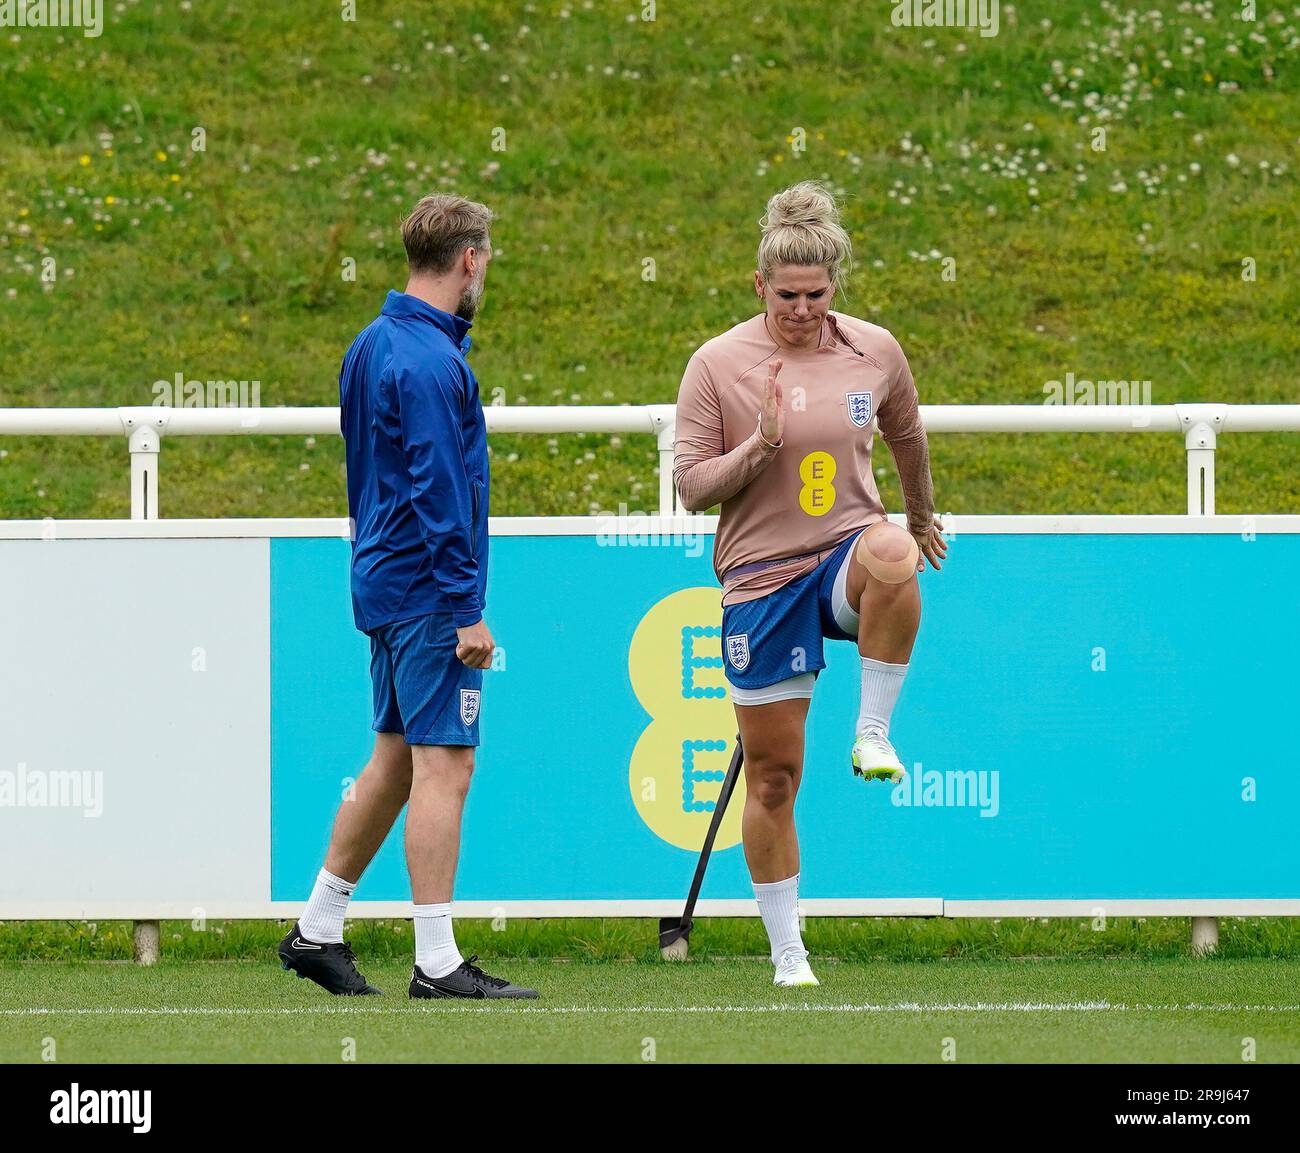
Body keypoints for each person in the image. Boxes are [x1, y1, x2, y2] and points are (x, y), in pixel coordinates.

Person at [673, 181, 945, 988]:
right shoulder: (717, 364)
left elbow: (907, 433)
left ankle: (872, 732)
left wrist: (922, 515)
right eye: (785, 295)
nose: (799, 309)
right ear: (759, 286)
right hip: (761, 577)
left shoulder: (873, 350)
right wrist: (759, 446)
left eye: (815, 294)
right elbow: (691, 486)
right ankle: (789, 950)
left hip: (842, 556)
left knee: (893, 552)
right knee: (775, 774)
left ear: (836, 287)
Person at [276, 194, 537, 1000]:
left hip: (385, 577)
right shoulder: (431, 361)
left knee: (392, 762)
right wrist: (467, 607)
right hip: (428, 587)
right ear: (469, 259)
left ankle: (317, 930)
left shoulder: (372, 343)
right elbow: (436, 485)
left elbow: (372, 469)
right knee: (446, 764)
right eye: (485, 257)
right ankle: (437, 961)